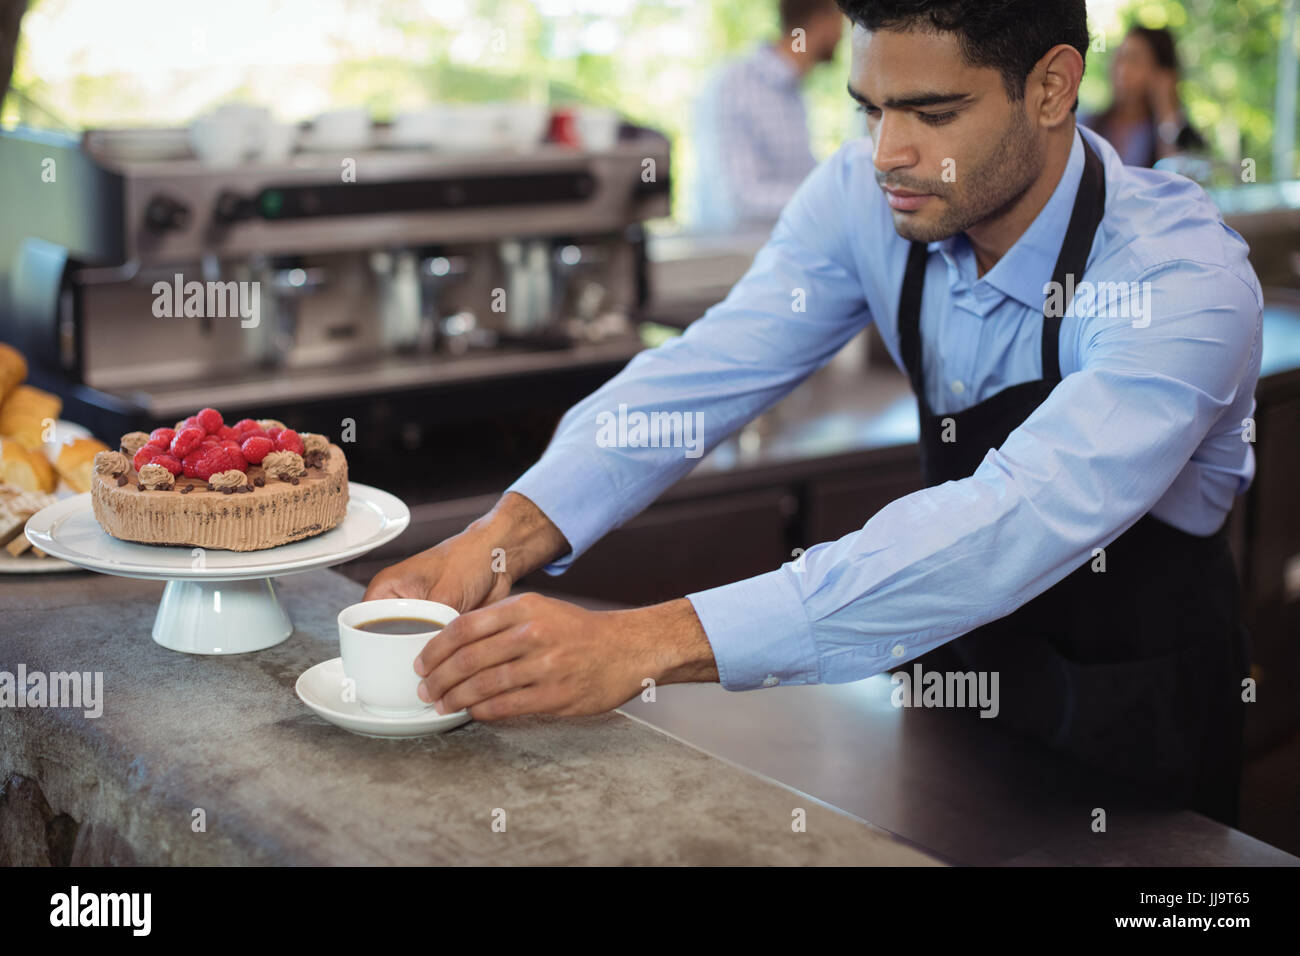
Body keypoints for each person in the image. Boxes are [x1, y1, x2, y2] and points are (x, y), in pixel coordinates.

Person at [367, 0, 1260, 828]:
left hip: (1135, 716)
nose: (886, 152)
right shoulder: (869, 199)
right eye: (870, 109)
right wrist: (501, 536)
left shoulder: (1178, 279)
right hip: (950, 684)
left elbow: (1009, 522)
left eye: (932, 114)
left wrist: (644, 644)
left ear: (1052, 88)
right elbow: (704, 371)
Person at [691, 0, 844, 231]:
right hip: (734, 258)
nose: (845, 33)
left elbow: (800, 176)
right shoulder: (735, 85)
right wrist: (831, 197)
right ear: (821, 20)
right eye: (842, 18)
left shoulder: (793, 91)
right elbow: (740, 199)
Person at [1081, 25, 1206, 167]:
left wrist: (1165, 111)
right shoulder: (1087, 123)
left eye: (1134, 60)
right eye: (1120, 57)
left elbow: (1179, 179)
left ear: (1162, 73)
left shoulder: (1179, 134)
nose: (1122, 70)